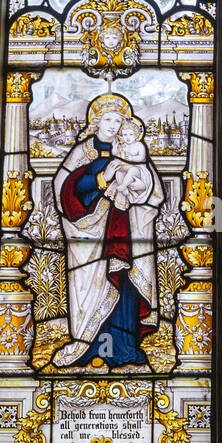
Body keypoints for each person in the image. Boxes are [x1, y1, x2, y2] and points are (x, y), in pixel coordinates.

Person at [51, 94, 164, 369]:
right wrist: (101, 178)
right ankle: (89, 347)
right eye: (108, 119)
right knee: (93, 285)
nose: (114, 126)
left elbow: (153, 190)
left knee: (124, 284)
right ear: (96, 121)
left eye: (118, 120)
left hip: (123, 230)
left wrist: (134, 185)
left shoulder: (129, 147)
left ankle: (123, 349)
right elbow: (63, 188)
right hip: (89, 234)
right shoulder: (82, 151)